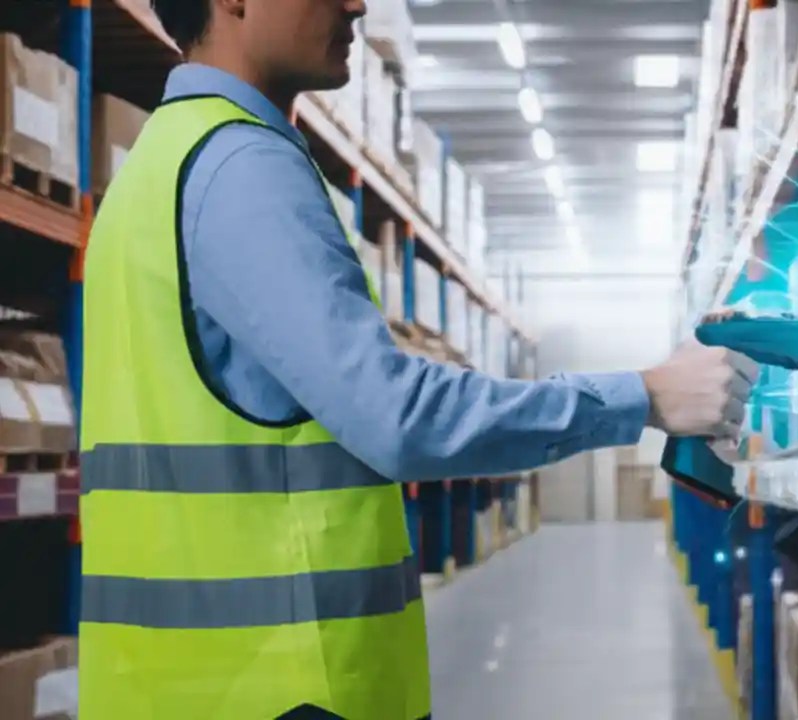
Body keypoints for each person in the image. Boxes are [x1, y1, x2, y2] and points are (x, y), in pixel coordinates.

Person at [78, 0, 759, 717]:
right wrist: (645, 396)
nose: (357, 5)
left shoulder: (161, 163)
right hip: (283, 687)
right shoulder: (243, 166)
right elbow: (396, 416)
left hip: (171, 687)